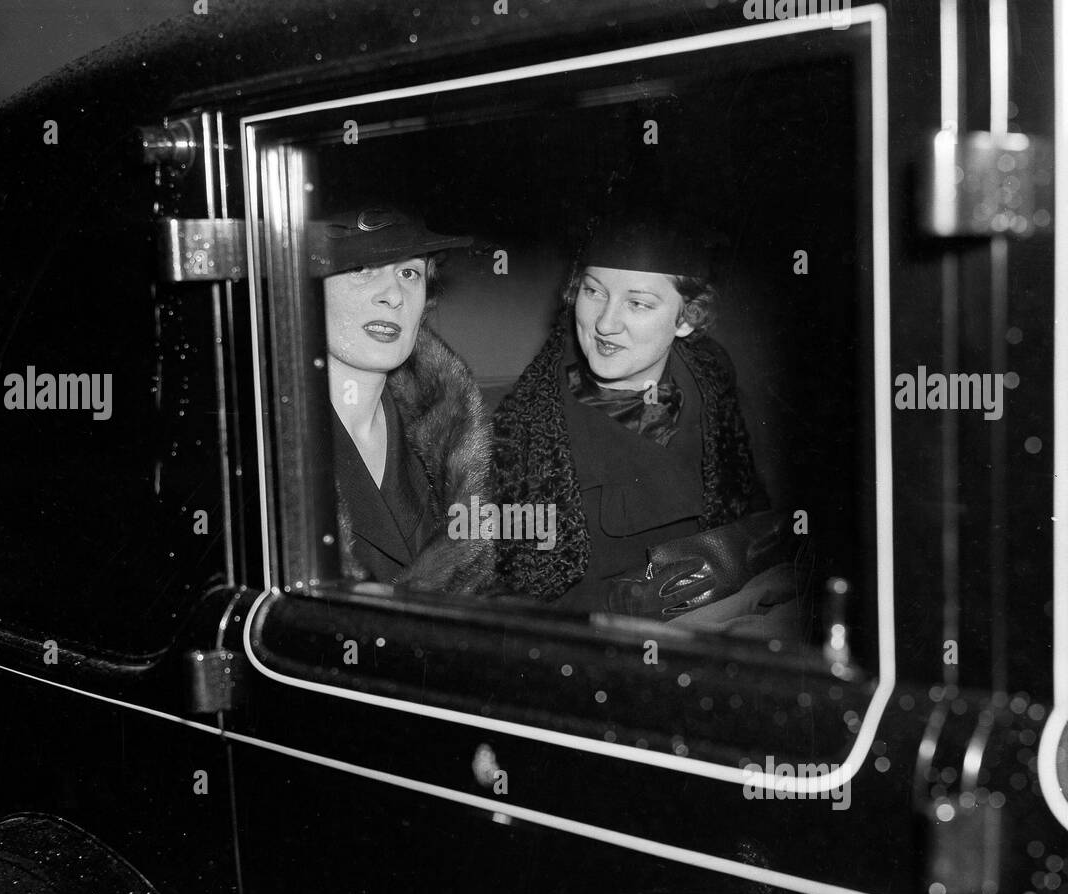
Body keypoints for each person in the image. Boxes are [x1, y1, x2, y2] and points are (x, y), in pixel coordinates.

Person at [493, 214, 800, 634]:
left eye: (637, 303)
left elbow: (755, 506)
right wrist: (627, 604)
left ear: (686, 318)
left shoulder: (710, 379)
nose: (605, 323)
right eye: (593, 291)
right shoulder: (531, 430)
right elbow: (517, 597)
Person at [309, 206, 495, 592]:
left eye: (409, 273)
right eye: (361, 269)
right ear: (303, 290)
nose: (393, 295)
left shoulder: (448, 438)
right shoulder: (262, 451)